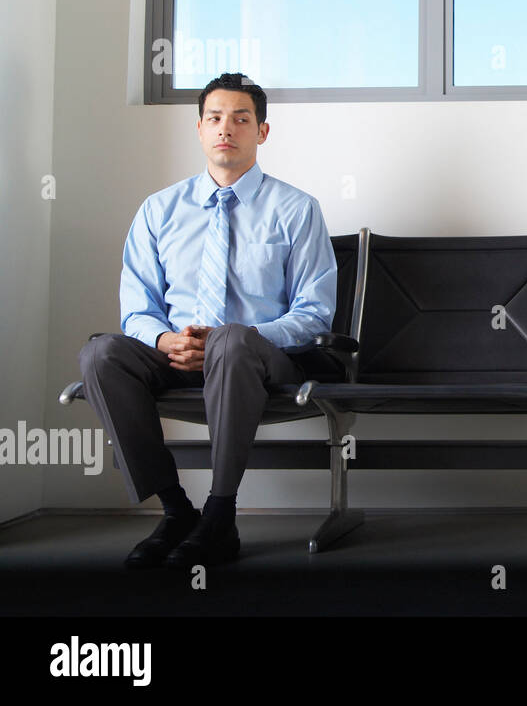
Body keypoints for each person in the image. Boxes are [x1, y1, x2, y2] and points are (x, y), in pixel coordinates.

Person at [79, 73, 336, 568]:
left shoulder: (297, 210)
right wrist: (165, 339)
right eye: (215, 118)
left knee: (232, 342)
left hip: (260, 359)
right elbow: (136, 306)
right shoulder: (158, 210)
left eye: (241, 119)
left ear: (262, 132)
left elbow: (314, 313)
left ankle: (220, 514)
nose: (227, 128)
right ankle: (176, 510)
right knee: (101, 353)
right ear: (199, 129)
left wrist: (230, 338)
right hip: (175, 353)